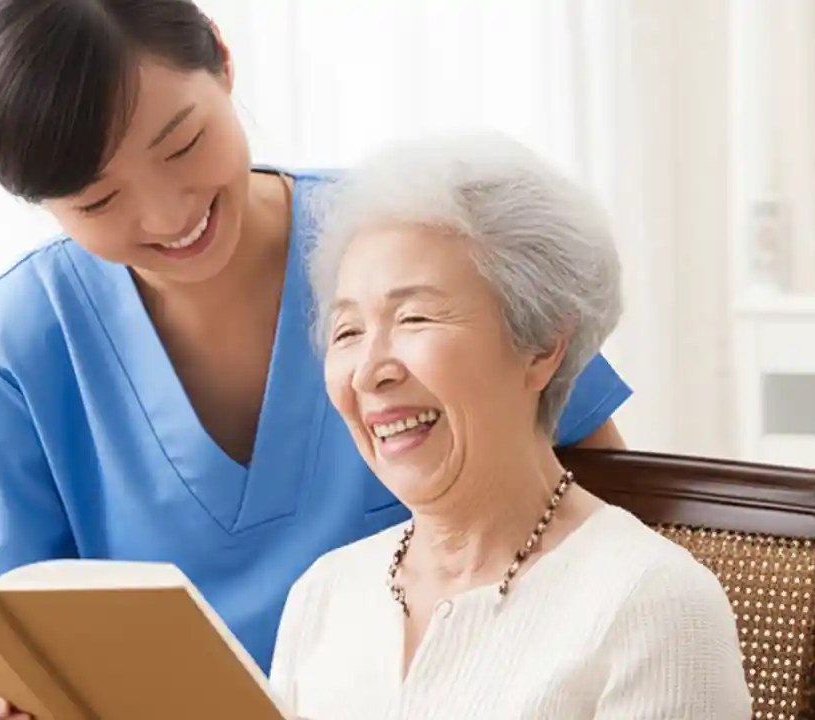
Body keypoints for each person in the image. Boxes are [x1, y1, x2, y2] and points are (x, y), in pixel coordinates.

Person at [0, 1, 634, 718]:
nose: (166, 215)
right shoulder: (20, 340)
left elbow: (614, 513)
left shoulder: (418, 246)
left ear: (222, 60)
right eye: (99, 201)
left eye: (182, 145)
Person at [267, 133, 752, 719]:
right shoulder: (324, 595)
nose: (370, 371)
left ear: (542, 345)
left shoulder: (649, 604)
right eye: (347, 331)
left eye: (414, 317)